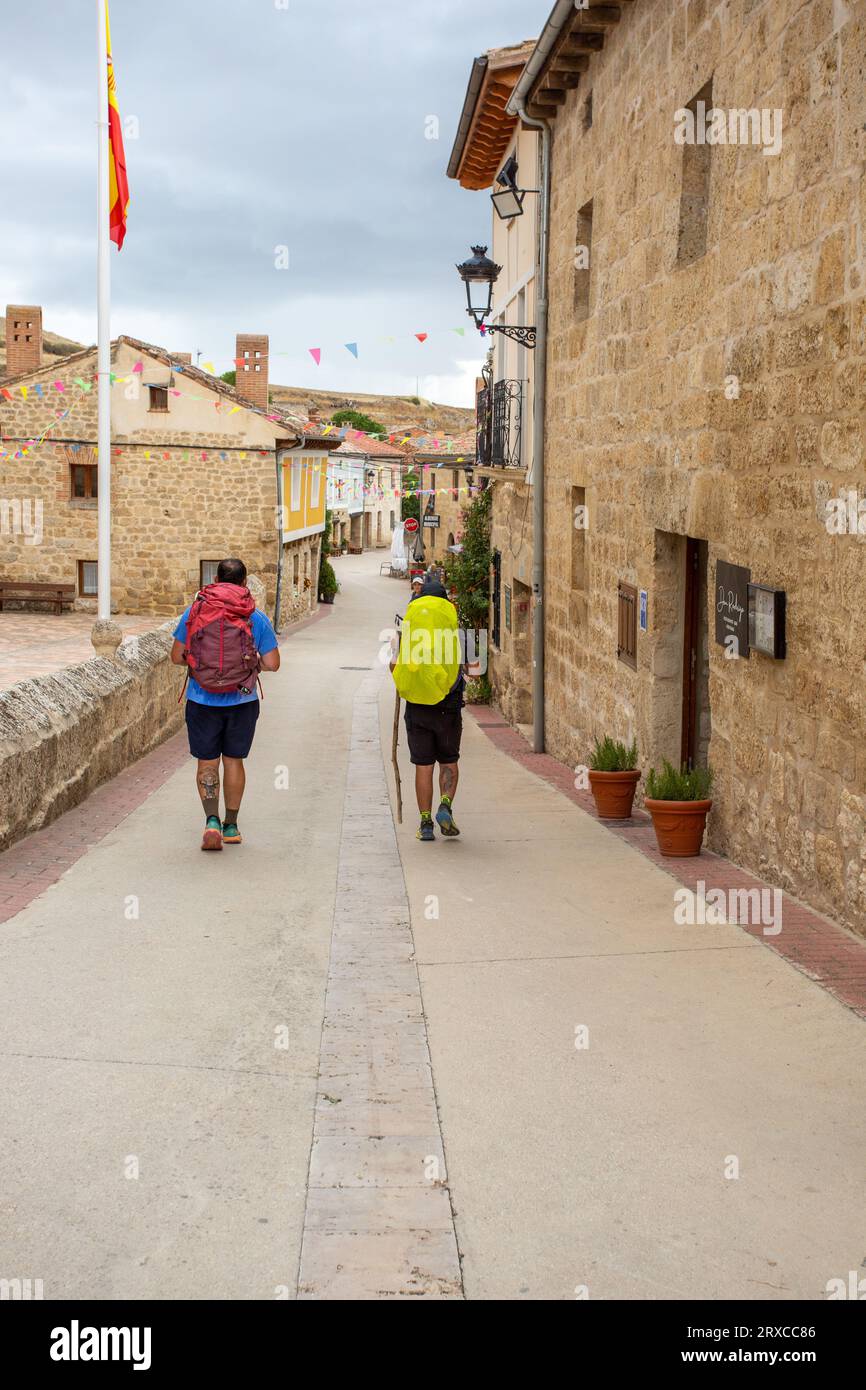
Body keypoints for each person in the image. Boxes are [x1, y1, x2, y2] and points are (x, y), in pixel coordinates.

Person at [171, 558, 280, 851]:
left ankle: (211, 822)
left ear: (216, 580)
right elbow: (273, 663)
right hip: (241, 700)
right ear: (244, 583)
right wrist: (248, 664)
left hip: (201, 699)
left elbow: (176, 655)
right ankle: (231, 825)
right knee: (233, 761)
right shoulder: (254, 617)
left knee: (207, 762)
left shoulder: (194, 611)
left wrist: (201, 663)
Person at [391, 576, 464, 842]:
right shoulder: (452, 628)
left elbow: (394, 667)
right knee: (448, 760)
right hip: (448, 706)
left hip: (417, 707)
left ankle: (425, 823)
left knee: (423, 766)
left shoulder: (409, 629)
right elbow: (469, 667)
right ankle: (445, 804)